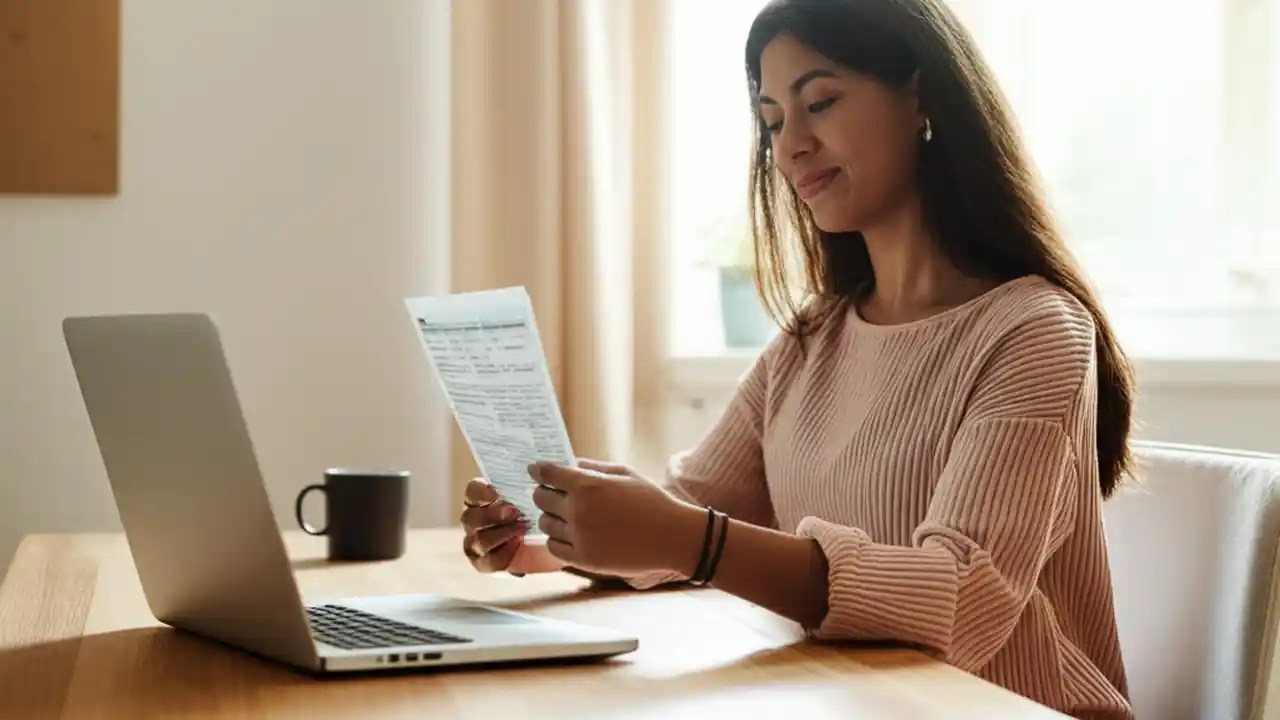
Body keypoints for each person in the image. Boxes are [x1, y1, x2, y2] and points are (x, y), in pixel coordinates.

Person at [460, 0, 1133, 717]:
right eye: (774, 120)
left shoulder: (1033, 330)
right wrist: (558, 539)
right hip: (847, 701)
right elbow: (698, 511)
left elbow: (961, 600)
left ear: (922, 95)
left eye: (821, 101)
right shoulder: (816, 333)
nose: (790, 147)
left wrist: (684, 535)